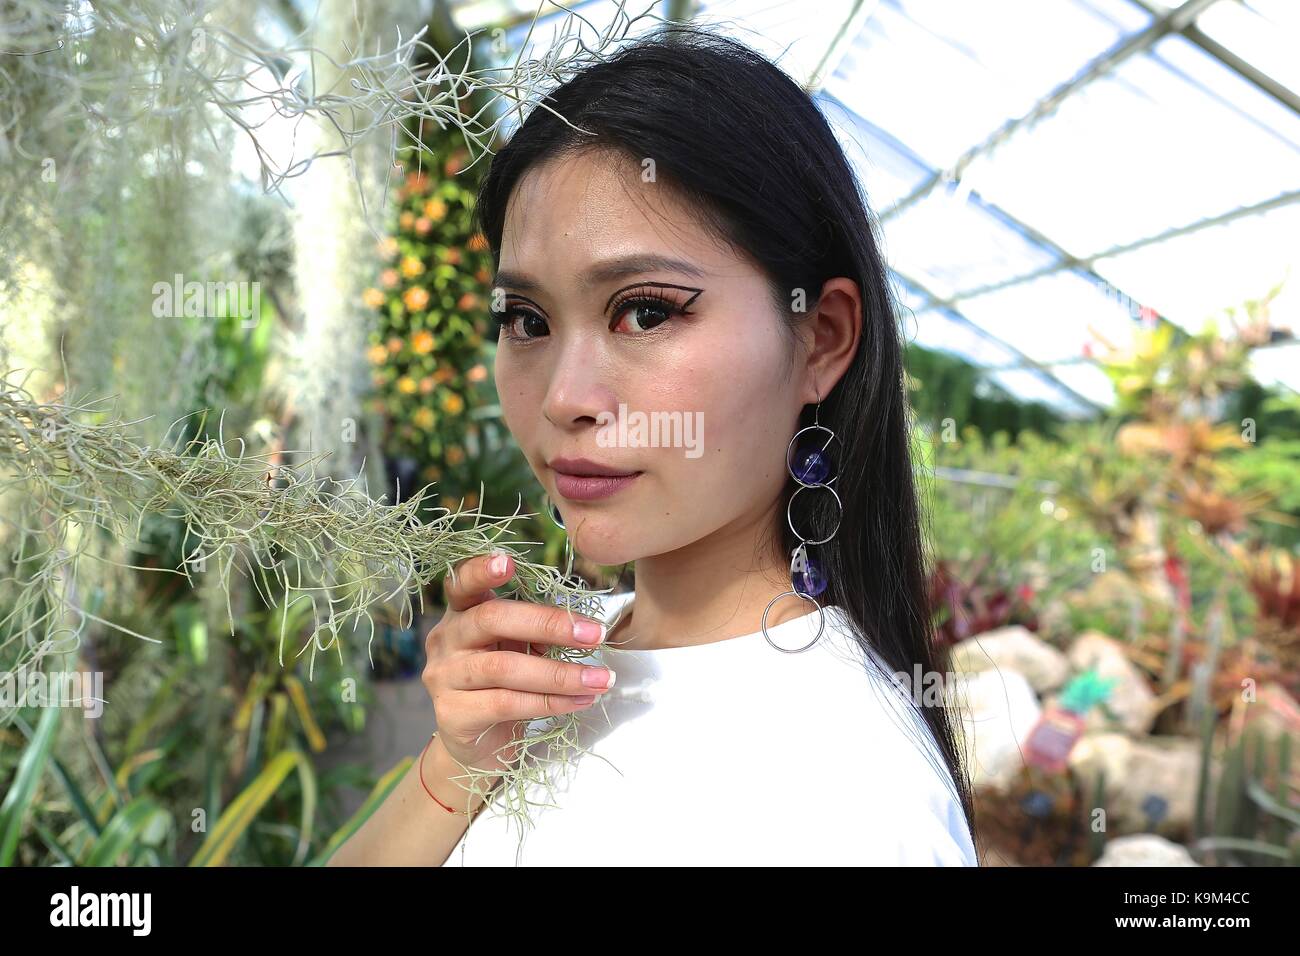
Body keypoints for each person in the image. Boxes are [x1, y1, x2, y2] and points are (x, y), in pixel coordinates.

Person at [328, 24, 979, 867]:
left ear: (820, 339)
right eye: (526, 321)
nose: (564, 397)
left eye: (645, 311)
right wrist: (457, 764)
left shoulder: (849, 802)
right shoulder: (567, 650)